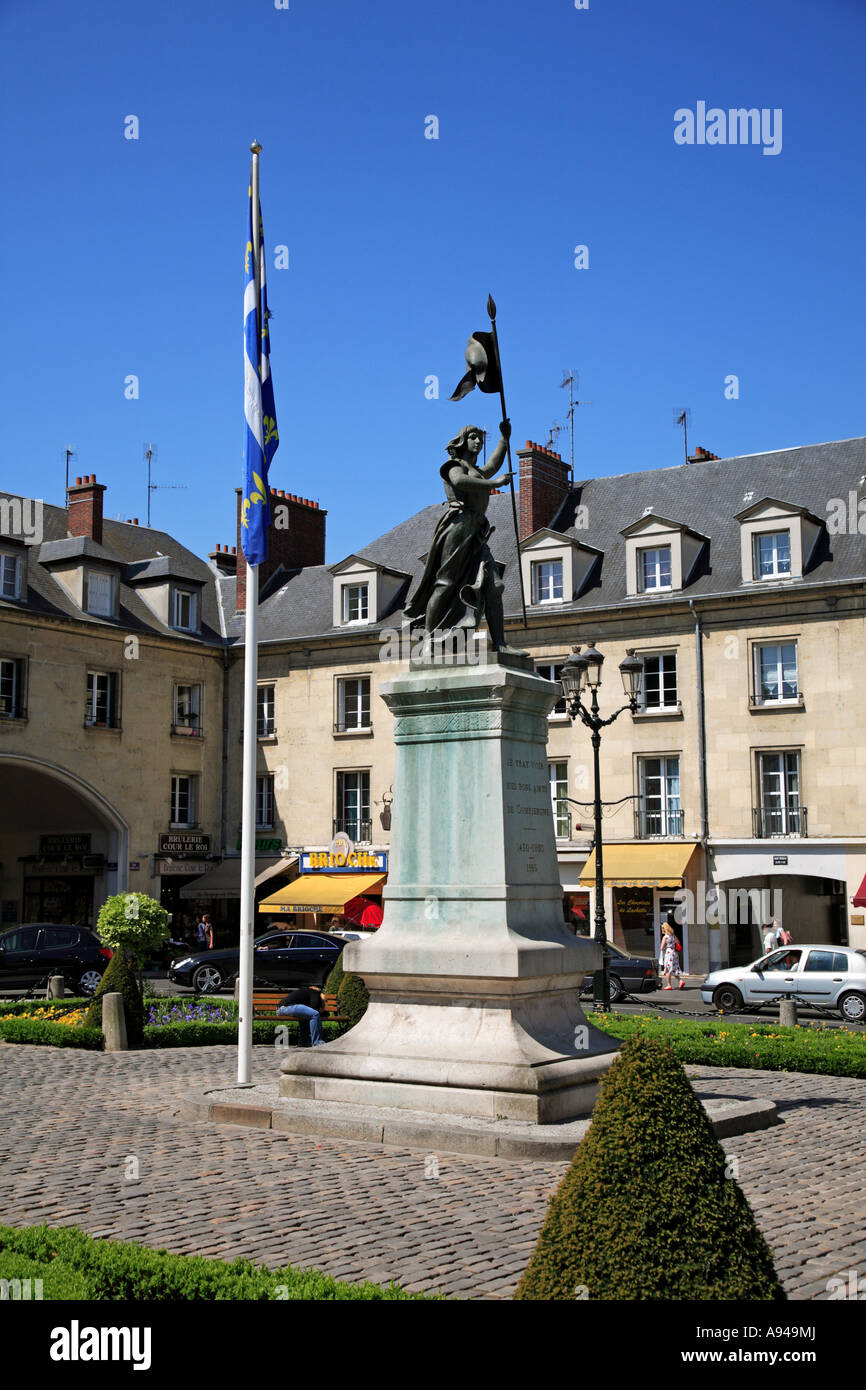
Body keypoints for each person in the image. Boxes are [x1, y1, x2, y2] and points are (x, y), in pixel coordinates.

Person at [404, 421, 515, 651]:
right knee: (446, 582)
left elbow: (493, 463)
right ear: (463, 441)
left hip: (477, 531)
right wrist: (494, 483)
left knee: (494, 585)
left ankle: (501, 645)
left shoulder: (479, 472)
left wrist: (504, 439)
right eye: (474, 437)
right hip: (458, 525)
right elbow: (459, 481)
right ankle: (431, 642)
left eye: (481, 439)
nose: (478, 442)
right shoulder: (453, 465)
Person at [660, 921, 685, 990]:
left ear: (665, 929)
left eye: (662, 928)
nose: (662, 930)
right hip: (675, 953)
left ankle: (669, 985)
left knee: (667, 970)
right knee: (673, 968)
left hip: (669, 953)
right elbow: (678, 942)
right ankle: (680, 981)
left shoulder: (665, 937)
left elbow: (661, 947)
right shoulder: (673, 936)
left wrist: (666, 947)